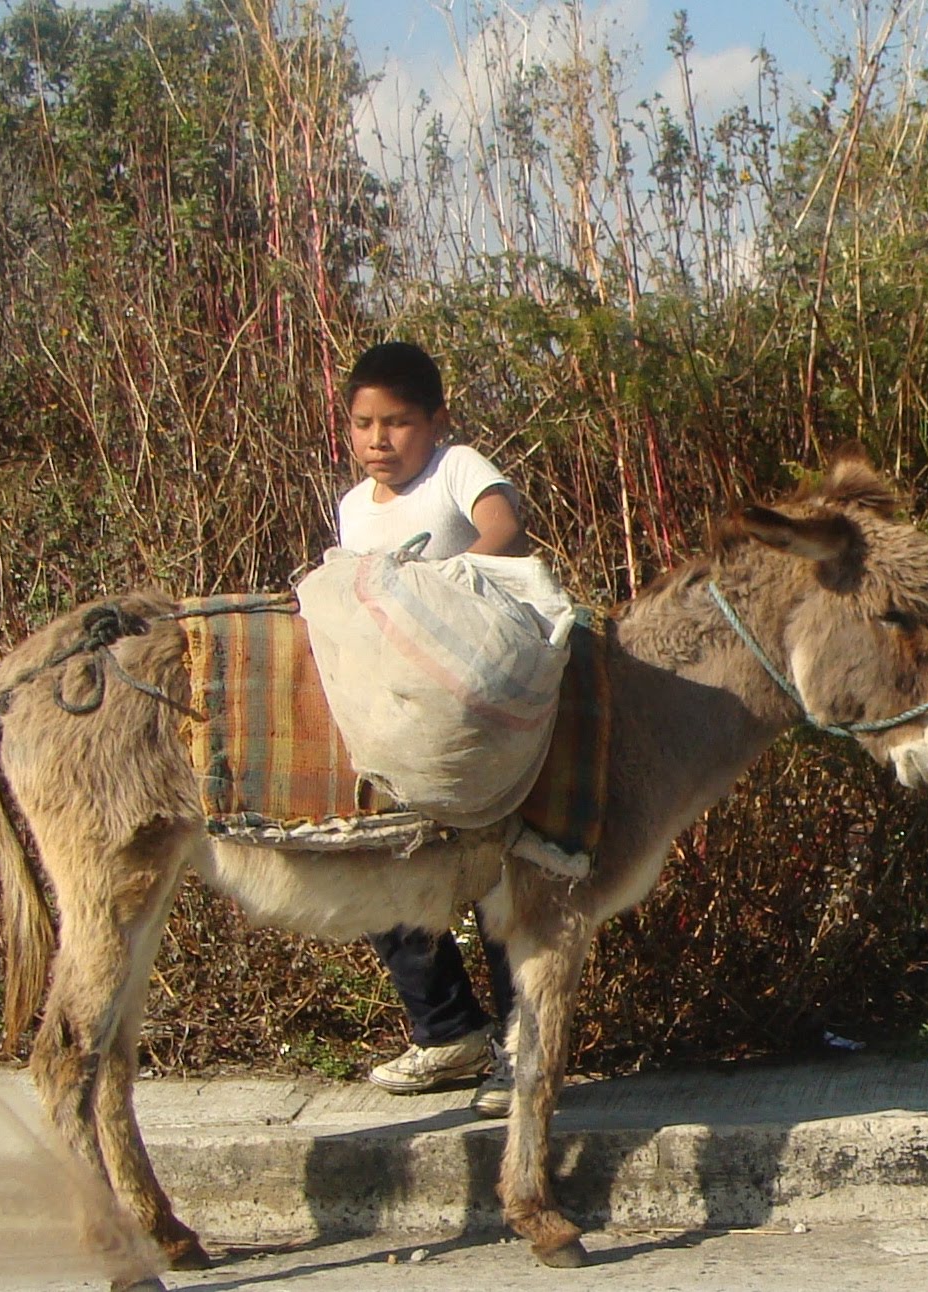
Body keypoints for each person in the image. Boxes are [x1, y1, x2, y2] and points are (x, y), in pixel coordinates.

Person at [335, 339, 525, 1119]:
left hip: (480, 711)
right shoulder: (353, 507)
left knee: (501, 875)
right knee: (381, 862)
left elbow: (504, 528)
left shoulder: (457, 468)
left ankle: (523, 1045)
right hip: (396, 719)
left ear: (437, 422)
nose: (379, 441)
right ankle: (446, 1030)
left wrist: (440, 585)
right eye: (363, 424)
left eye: (399, 423)